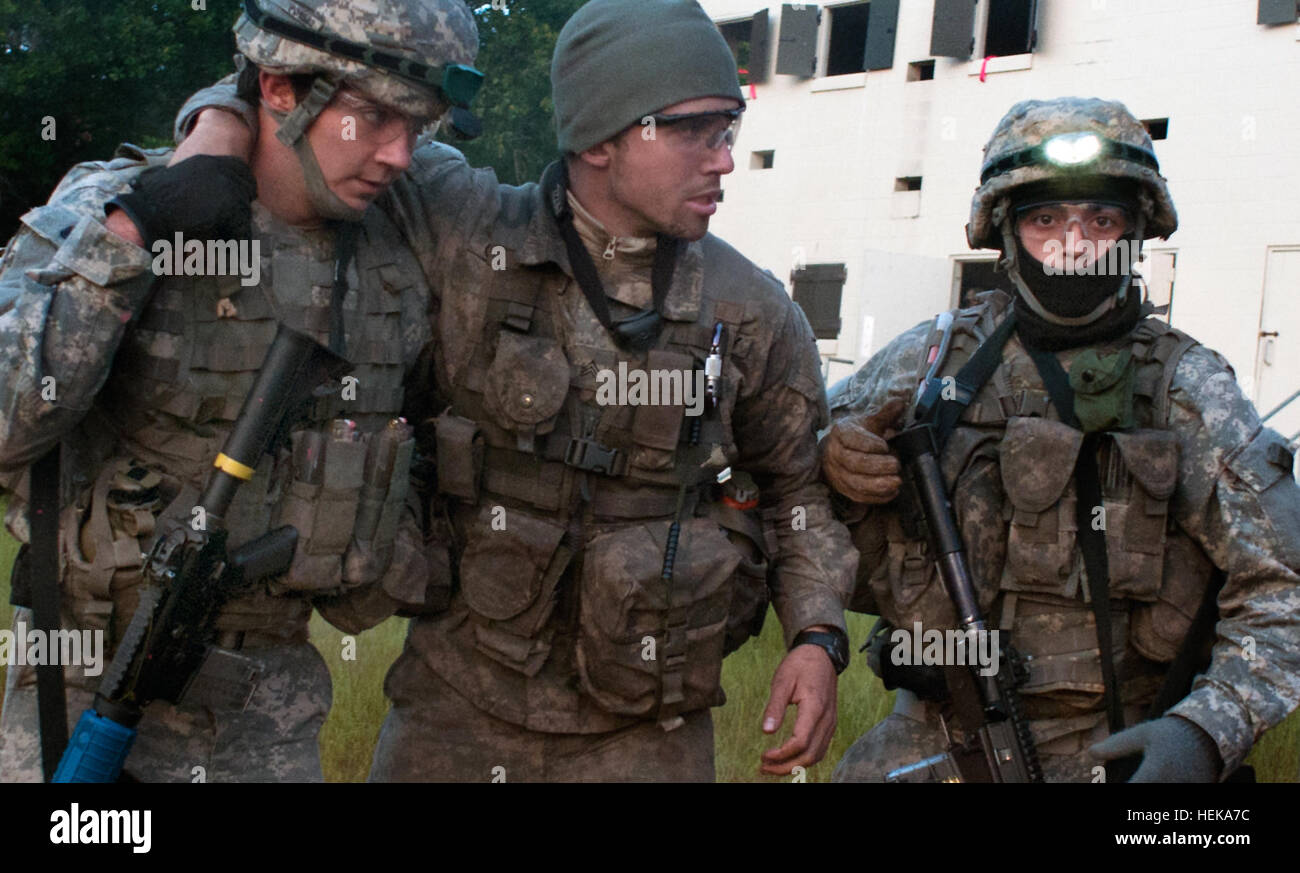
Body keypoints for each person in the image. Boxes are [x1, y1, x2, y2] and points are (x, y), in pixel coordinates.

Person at [181, 0, 858, 782]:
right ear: (603, 137)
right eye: (695, 132)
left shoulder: (752, 312)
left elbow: (797, 490)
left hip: (649, 733)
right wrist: (213, 133)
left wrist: (816, 635)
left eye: (727, 132)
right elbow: (300, 79)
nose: (724, 161)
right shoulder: (464, 229)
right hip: (454, 713)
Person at [0, 0, 480, 781]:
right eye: (375, 118)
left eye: (418, 126)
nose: (399, 154)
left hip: (267, 718)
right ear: (281, 87)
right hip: (83, 688)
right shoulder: (117, 205)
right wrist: (139, 231)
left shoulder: (401, 239)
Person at [821, 97, 1300, 782]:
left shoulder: (1187, 387)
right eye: (1046, 220)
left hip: (1123, 752)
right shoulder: (931, 361)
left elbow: (1284, 584)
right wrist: (829, 453)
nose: (1074, 246)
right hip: (940, 738)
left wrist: (1204, 729)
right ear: (1007, 234)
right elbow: (777, 488)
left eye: (1100, 221)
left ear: (1136, 233)